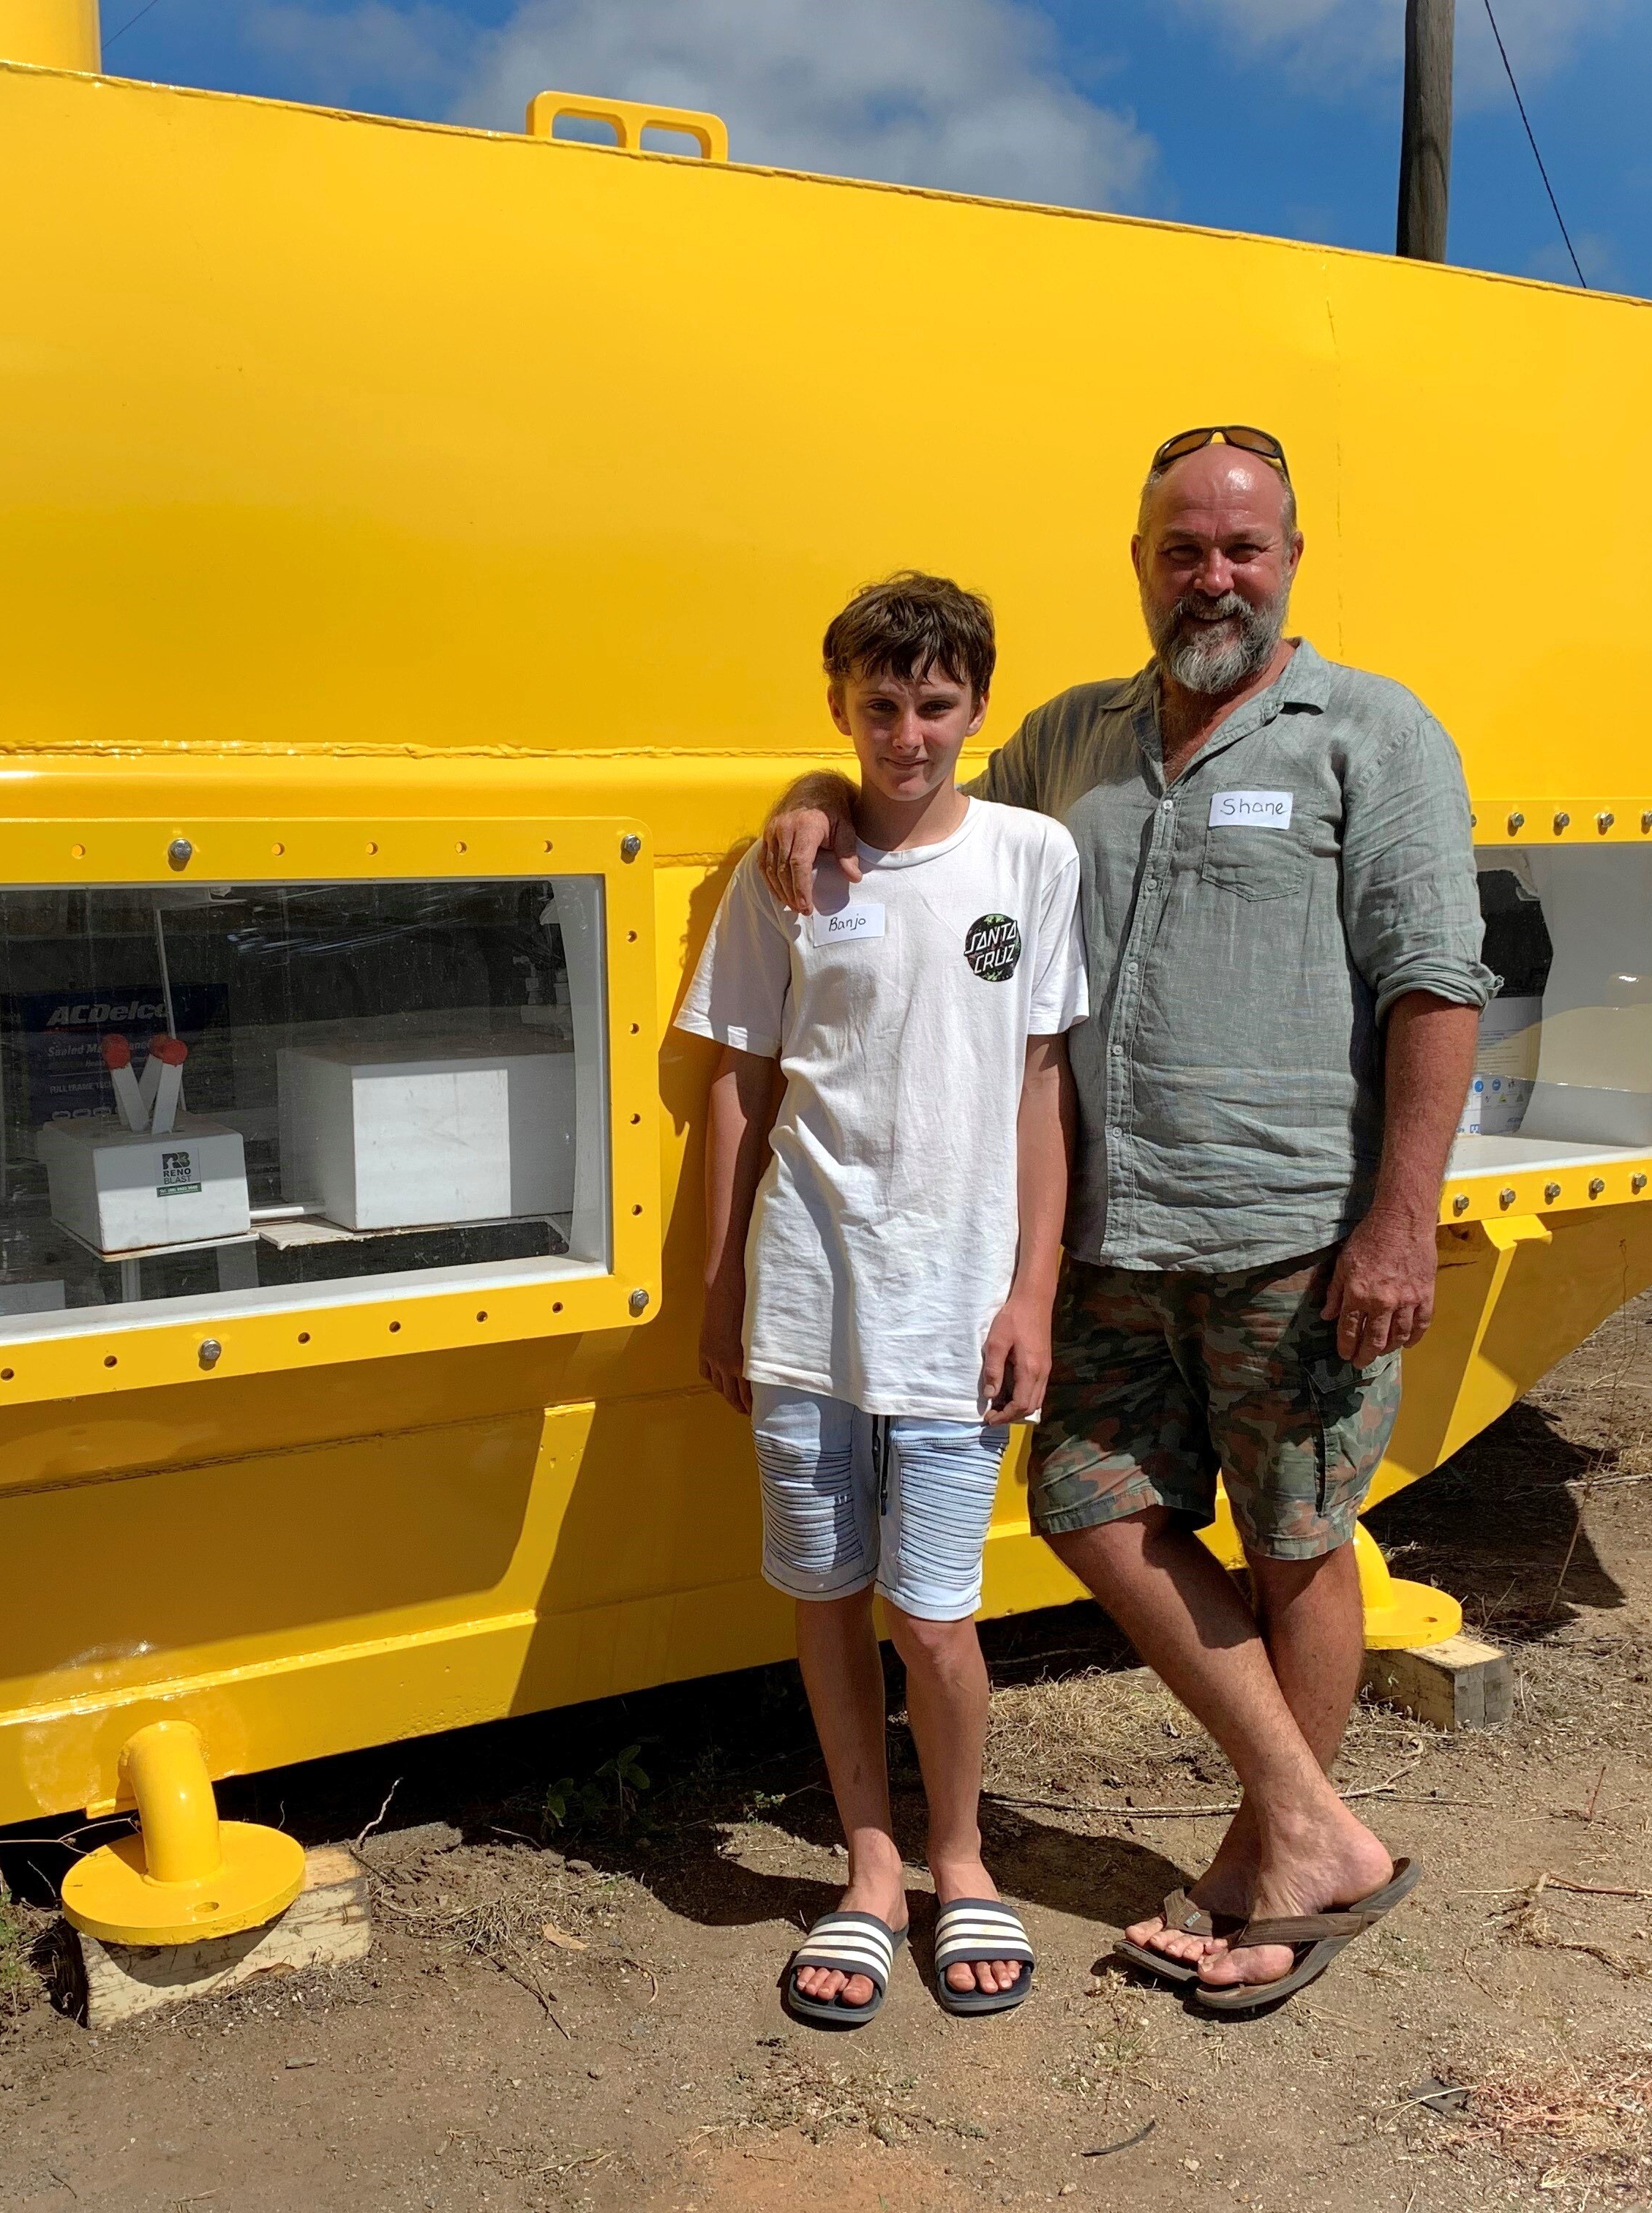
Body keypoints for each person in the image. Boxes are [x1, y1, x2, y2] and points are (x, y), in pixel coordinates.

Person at [757, 427, 1487, 2015]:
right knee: (1088, 1507)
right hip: (1111, 1231)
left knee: (1295, 1545)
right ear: (1142, 560)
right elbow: (919, 799)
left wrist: (1401, 1222)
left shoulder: (1373, 733)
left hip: (1296, 1229)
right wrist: (818, 791)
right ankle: (1314, 1834)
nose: (1212, 574)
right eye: (1182, 548)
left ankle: (1269, 1858)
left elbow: (1440, 980)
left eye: (1243, 546)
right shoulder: (1072, 741)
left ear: (1292, 556)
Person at [679, 572, 1086, 2029]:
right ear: (840, 705)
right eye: (879, 705)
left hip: (957, 1312)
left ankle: (961, 1859)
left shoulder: (1034, 860)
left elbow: (1043, 1092)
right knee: (829, 1597)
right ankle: (867, 1869)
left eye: (934, 704)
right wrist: (719, 1292)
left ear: (976, 706)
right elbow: (737, 1083)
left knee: (936, 1618)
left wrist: (1033, 1292)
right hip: (806, 1299)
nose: (907, 733)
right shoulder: (788, 867)